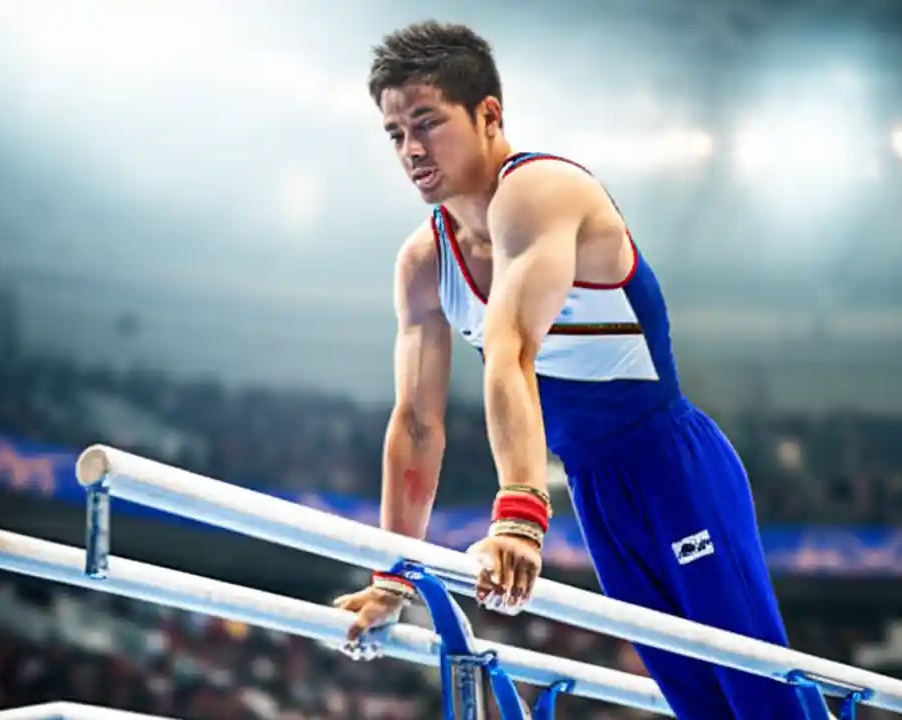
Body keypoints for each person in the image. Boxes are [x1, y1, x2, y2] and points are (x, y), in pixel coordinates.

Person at [332, 19, 807, 719]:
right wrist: (394, 578)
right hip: (596, 489)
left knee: (754, 689)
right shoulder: (424, 264)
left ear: (489, 114)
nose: (410, 150)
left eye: (427, 124)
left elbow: (512, 348)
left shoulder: (542, 192)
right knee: (697, 702)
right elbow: (417, 426)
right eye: (395, 133)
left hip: (676, 465)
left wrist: (521, 514)